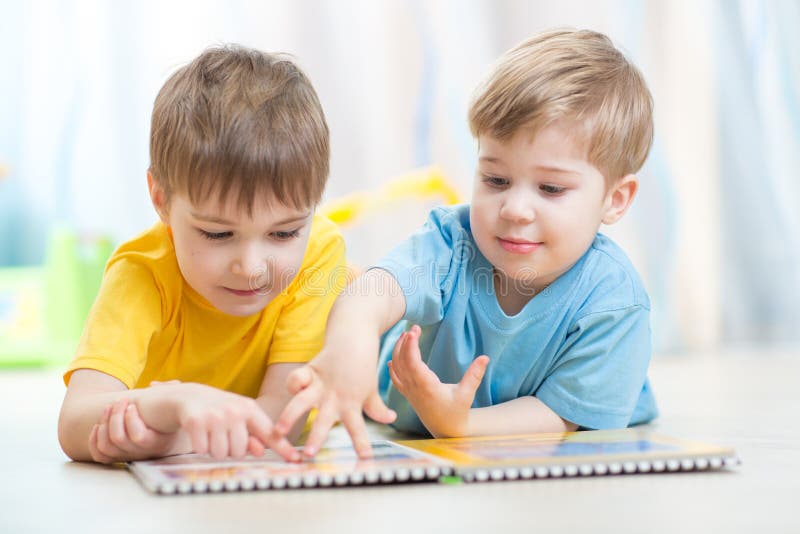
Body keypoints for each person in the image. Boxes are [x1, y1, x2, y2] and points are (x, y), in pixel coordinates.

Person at [274, 28, 658, 456]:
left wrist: (460, 424)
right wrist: (353, 339)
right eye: (495, 179)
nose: (514, 209)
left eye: (550, 188)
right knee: (355, 292)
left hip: (542, 415)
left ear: (615, 199)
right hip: (395, 395)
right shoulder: (453, 241)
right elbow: (375, 293)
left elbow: (560, 417)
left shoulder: (614, 300)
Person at [57, 44, 395, 464]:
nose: (251, 268)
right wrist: (173, 403)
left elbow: (286, 418)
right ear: (161, 199)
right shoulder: (141, 275)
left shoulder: (319, 252)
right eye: (217, 234)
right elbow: (74, 423)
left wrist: (175, 436)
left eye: (285, 232)